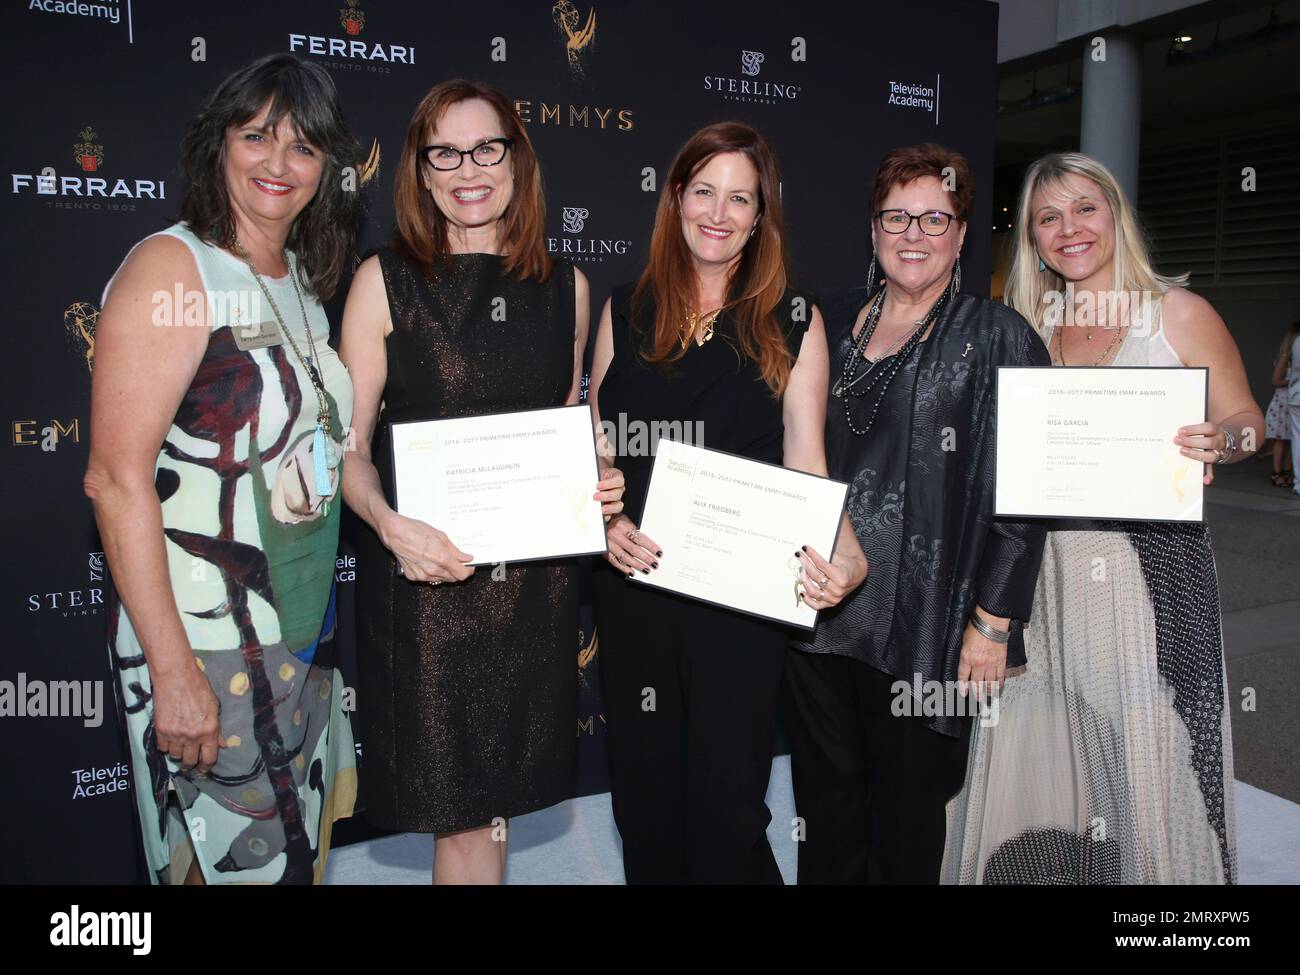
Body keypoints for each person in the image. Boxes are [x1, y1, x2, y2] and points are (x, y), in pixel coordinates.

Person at [944, 151, 1264, 884]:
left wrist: (1228, 439)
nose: (1069, 228)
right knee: (1051, 747)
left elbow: (1247, 417)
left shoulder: (1176, 313)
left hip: (1148, 575)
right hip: (1040, 571)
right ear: (1031, 237)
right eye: (1047, 217)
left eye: (1086, 207)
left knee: (1155, 755)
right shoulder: (1029, 323)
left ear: (1116, 214)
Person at [85, 53, 362, 884]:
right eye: (257, 136)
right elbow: (114, 478)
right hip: (205, 645)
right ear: (219, 145)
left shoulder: (299, 281)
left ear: (327, 169)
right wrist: (172, 672)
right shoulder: (173, 268)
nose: (279, 163)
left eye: (304, 147)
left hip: (296, 636)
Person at [339, 80, 624, 885]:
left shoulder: (565, 285)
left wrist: (596, 475)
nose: (469, 168)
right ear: (421, 173)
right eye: (445, 153)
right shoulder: (382, 281)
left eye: (487, 147)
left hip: (532, 598)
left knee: (494, 809)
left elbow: (568, 422)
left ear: (516, 159)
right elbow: (349, 449)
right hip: (428, 592)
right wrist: (389, 525)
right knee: (460, 817)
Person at [589, 121, 869, 884]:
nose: (719, 212)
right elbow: (599, 451)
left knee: (726, 810)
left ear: (760, 214)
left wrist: (845, 550)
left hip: (737, 600)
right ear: (675, 197)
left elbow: (807, 456)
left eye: (739, 197)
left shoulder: (795, 318)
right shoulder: (624, 307)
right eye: (704, 190)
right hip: (636, 587)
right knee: (644, 804)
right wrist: (608, 519)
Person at [784, 143, 1050, 884]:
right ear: (872, 230)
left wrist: (995, 621)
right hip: (817, 615)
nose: (913, 233)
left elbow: (1028, 493)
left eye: (935, 217)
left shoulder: (999, 336)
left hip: (924, 622)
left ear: (963, 234)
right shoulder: (828, 321)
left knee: (905, 820)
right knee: (827, 815)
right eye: (896, 216)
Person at [1265, 322, 1300, 488]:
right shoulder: (1285, 357)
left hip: (1291, 399)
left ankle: (1287, 471)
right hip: (1283, 401)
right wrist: (1292, 380)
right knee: (1280, 439)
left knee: (1292, 438)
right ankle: (1277, 472)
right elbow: (1276, 380)